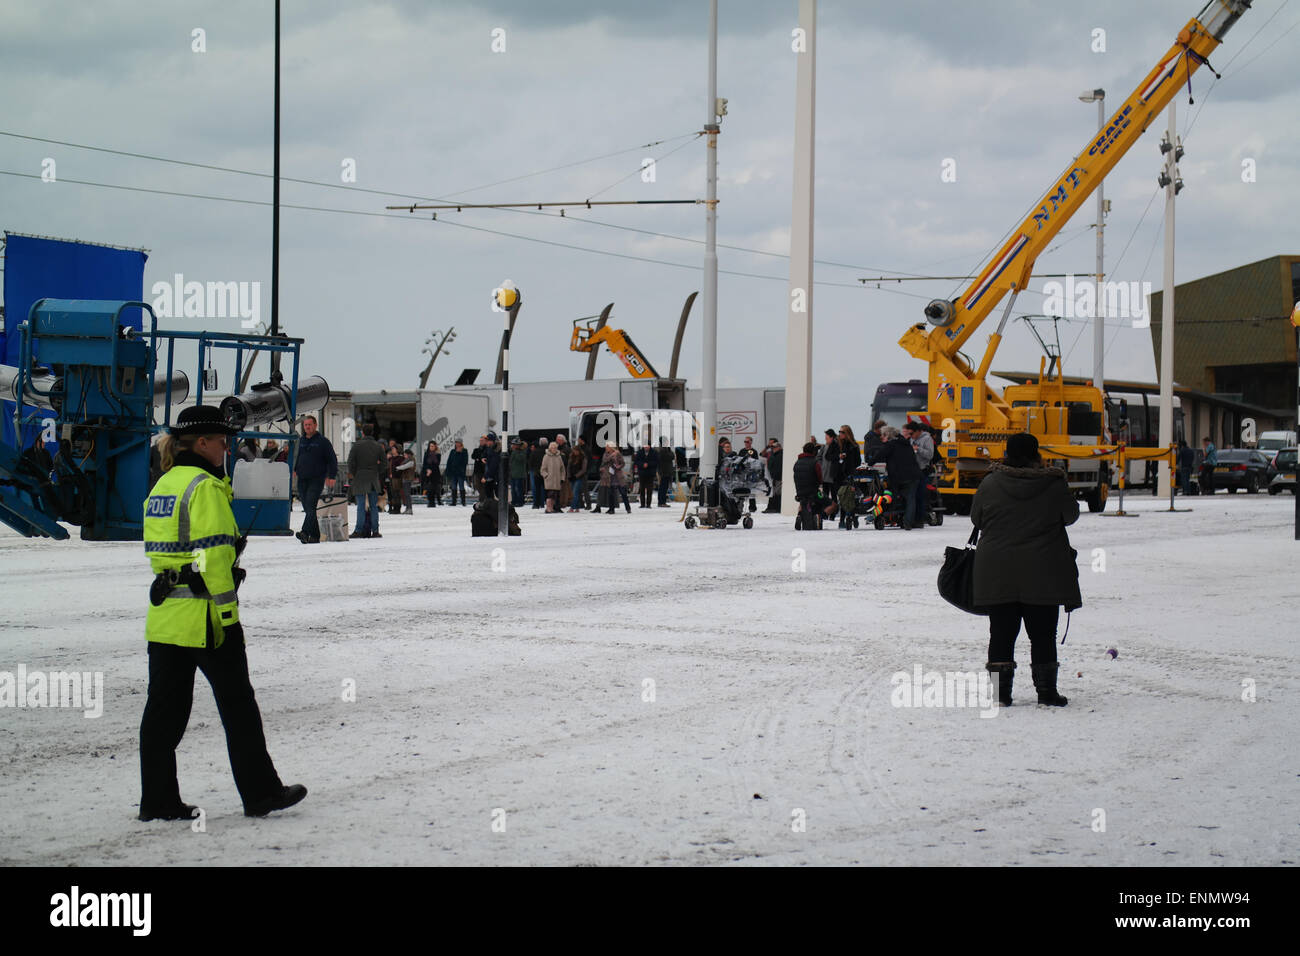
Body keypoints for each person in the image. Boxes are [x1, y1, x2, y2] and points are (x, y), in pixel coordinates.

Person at [140, 405, 306, 821]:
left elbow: (164, 554)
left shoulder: (163, 486)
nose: (226, 447)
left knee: (163, 716)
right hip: (207, 622)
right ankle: (262, 793)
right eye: (221, 440)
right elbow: (213, 559)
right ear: (202, 443)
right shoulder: (205, 487)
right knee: (239, 709)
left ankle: (157, 801)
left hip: (165, 619)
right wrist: (229, 620)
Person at [971, 432, 1080, 707]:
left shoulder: (990, 482)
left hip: (996, 570)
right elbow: (1071, 516)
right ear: (1036, 455)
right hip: (1043, 570)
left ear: (1006, 453)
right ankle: (1046, 693)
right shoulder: (1053, 484)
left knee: (1001, 633)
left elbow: (976, 518)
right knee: (1043, 634)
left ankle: (1000, 694)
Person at [866, 426, 925, 529]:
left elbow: (879, 455)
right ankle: (908, 522)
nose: (882, 437)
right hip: (914, 475)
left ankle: (893, 517)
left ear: (888, 435)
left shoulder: (891, 445)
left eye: (883, 435)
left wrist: (869, 464)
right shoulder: (907, 444)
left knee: (894, 496)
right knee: (911, 499)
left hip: (898, 477)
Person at [293, 414, 337, 544]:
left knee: (311, 505)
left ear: (315, 425)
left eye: (309, 425)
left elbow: (332, 459)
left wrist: (332, 476)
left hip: (316, 478)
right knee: (308, 508)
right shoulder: (300, 441)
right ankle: (315, 536)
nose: (307, 427)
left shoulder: (323, 441)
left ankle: (305, 531)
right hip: (302, 479)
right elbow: (295, 456)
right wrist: (294, 468)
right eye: (305, 425)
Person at [347, 423, 387, 538]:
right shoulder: (378, 446)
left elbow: (350, 463)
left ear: (362, 433)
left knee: (360, 505)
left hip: (360, 477)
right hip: (373, 478)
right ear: (372, 432)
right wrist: (376, 471)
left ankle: (358, 530)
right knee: (374, 506)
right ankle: (375, 530)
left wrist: (356, 473)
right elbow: (384, 463)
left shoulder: (356, 446)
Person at [791, 441, 823, 528]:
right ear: (813, 451)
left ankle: (799, 514)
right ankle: (816, 516)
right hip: (812, 490)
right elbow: (820, 477)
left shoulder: (797, 462)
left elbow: (795, 476)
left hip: (800, 490)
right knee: (820, 498)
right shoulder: (815, 462)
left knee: (802, 501)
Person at [835, 425, 862, 528]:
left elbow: (857, 461)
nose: (840, 434)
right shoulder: (840, 445)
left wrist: (846, 458)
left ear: (847, 433)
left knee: (849, 496)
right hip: (842, 475)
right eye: (839, 432)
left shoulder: (853, 446)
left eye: (842, 432)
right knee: (843, 496)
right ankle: (845, 519)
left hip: (850, 474)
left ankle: (850, 517)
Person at [599, 441, 630, 514]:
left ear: (610, 447)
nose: (606, 448)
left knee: (623, 493)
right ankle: (611, 509)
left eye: (607, 446)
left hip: (618, 475)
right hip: (610, 475)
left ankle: (628, 508)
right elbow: (604, 461)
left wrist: (618, 466)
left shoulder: (617, 453)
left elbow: (622, 463)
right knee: (611, 493)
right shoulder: (606, 454)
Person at [540, 441, 566, 513]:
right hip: (549, 480)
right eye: (552, 448)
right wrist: (546, 476)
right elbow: (543, 469)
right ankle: (549, 508)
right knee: (550, 495)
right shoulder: (546, 457)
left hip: (557, 480)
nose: (554, 449)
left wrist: (562, 477)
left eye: (555, 448)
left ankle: (556, 508)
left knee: (556, 494)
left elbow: (562, 469)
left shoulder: (559, 457)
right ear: (550, 448)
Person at [445, 439, 468, 505]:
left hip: (460, 473)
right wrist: (448, 470)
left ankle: (463, 502)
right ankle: (453, 502)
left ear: (461, 443)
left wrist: (459, 453)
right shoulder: (452, 451)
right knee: (453, 487)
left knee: (461, 487)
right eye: (456, 443)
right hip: (453, 472)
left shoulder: (464, 451)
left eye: (458, 443)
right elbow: (449, 461)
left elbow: (465, 461)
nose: (457, 444)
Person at [634, 442, 657, 508]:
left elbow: (656, 462)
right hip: (642, 473)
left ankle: (648, 504)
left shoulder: (654, 452)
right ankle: (642, 504)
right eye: (645, 446)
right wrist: (642, 464)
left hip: (650, 473)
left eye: (647, 446)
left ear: (649, 446)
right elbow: (636, 461)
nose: (646, 447)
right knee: (642, 489)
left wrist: (648, 464)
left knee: (650, 489)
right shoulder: (640, 452)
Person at [567, 440, 588, 513]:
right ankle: (577, 507)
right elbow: (568, 467)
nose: (574, 452)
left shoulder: (583, 458)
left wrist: (576, 476)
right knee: (575, 493)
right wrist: (569, 476)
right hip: (572, 477)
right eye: (573, 451)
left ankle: (572, 507)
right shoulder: (571, 457)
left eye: (575, 451)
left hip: (579, 478)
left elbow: (583, 469)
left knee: (575, 492)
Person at [763, 440, 783, 513]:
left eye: (774, 447)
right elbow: (762, 454)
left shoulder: (781, 454)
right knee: (774, 492)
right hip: (772, 476)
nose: (773, 448)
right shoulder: (772, 454)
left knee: (777, 493)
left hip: (778, 476)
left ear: (779, 447)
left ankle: (777, 508)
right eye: (772, 447)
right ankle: (773, 507)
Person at [509, 438, 529, 508]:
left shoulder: (522, 452)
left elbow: (520, 459)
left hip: (519, 474)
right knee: (513, 489)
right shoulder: (513, 452)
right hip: (513, 474)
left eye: (513, 444)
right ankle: (514, 501)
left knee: (518, 489)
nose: (512, 446)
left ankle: (520, 501)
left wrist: (515, 452)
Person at [422, 440, 442, 507]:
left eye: (432, 446)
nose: (431, 447)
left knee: (434, 488)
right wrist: (427, 470)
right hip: (427, 473)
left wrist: (431, 470)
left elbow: (437, 464)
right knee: (428, 488)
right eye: (430, 446)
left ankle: (434, 502)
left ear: (435, 447)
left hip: (435, 473)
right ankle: (430, 501)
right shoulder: (426, 453)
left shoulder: (438, 454)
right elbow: (424, 463)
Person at [482, 432, 501, 500]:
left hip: (495, 476)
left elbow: (493, 465)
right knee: (489, 492)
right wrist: (483, 457)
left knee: (497, 494)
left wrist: (485, 476)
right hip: (491, 476)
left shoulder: (496, 450)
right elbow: (485, 454)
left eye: (487, 440)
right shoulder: (490, 448)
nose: (486, 442)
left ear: (492, 441)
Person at [657, 439, 676, 508]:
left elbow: (672, 456)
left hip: (666, 471)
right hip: (664, 472)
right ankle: (661, 502)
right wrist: (670, 452)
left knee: (664, 487)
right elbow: (671, 456)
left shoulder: (666, 449)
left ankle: (662, 501)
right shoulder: (662, 450)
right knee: (663, 488)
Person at [528, 438, 547, 509]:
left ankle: (536, 504)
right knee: (544, 488)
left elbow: (530, 462)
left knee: (536, 489)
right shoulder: (547, 452)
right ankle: (542, 503)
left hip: (536, 472)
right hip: (545, 472)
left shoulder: (535, 452)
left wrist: (532, 469)